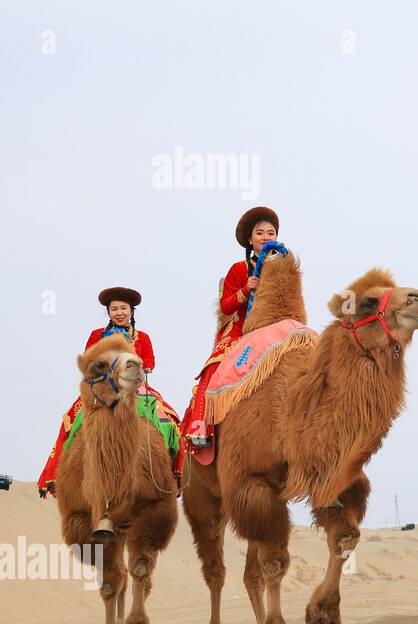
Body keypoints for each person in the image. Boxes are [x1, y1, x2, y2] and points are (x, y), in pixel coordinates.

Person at [36, 287, 179, 497]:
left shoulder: (143, 337)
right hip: (102, 387)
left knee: (169, 419)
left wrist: (138, 364)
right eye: (114, 309)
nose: (119, 312)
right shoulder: (98, 335)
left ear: (132, 311)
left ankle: (171, 475)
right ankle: (58, 476)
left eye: (123, 308)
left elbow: (150, 362)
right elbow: (88, 361)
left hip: (134, 386)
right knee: (71, 418)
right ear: (108, 312)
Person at [180, 206, 279, 448]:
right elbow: (226, 307)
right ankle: (200, 426)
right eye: (260, 233)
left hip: (273, 328)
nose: (266, 237)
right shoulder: (238, 269)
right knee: (214, 367)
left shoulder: (284, 267)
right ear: (250, 239)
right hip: (241, 330)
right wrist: (247, 290)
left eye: (271, 233)